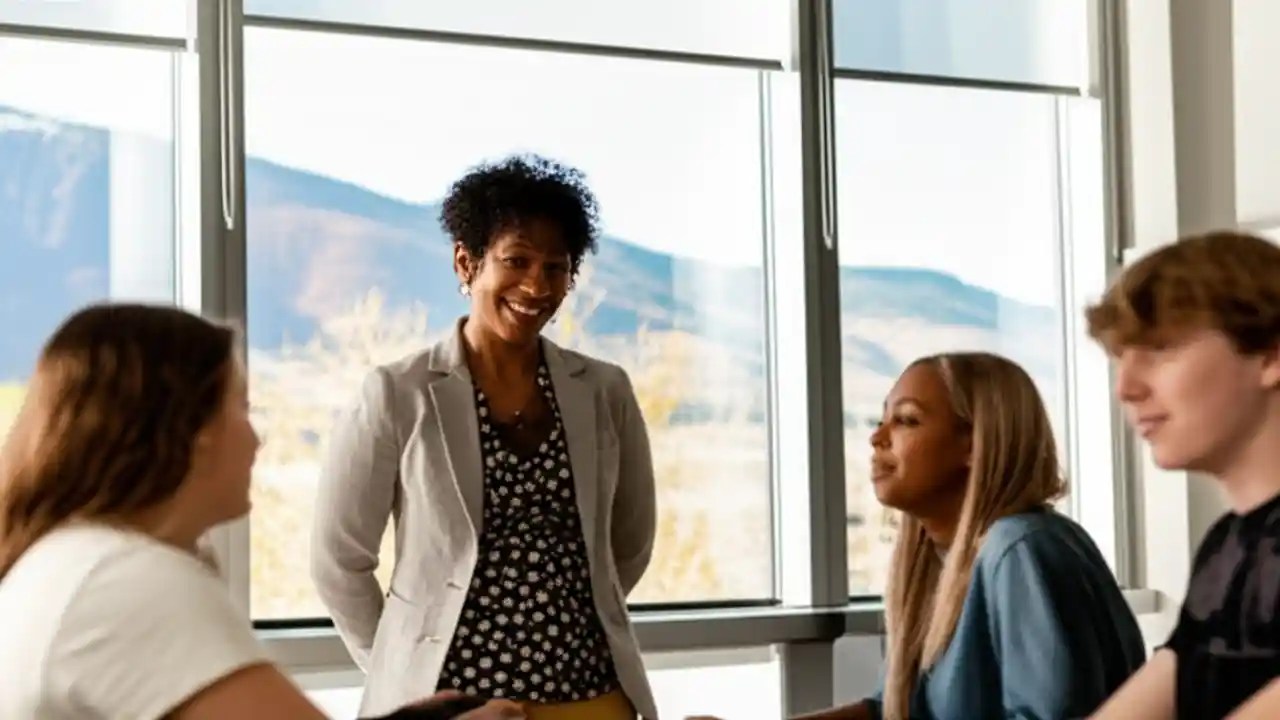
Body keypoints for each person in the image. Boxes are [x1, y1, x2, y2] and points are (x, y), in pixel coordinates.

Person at [0, 303, 523, 720]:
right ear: (191, 431)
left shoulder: (66, 556)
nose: (256, 437)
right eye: (241, 407)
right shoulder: (130, 581)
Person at [312, 154, 658, 720]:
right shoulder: (398, 393)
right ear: (467, 263)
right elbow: (338, 559)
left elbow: (630, 542)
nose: (536, 285)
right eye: (516, 261)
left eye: (556, 267)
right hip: (452, 706)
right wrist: (402, 662)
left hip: (589, 695)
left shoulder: (604, 391)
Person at [692, 352, 1145, 720]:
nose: (877, 437)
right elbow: (890, 712)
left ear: (975, 444)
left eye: (907, 420)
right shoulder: (939, 561)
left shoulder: (1020, 549)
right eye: (883, 418)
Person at [1085, 231, 1280, 720]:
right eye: (1120, 358)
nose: (1125, 388)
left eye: (1160, 348)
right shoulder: (1226, 545)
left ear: (1271, 355)